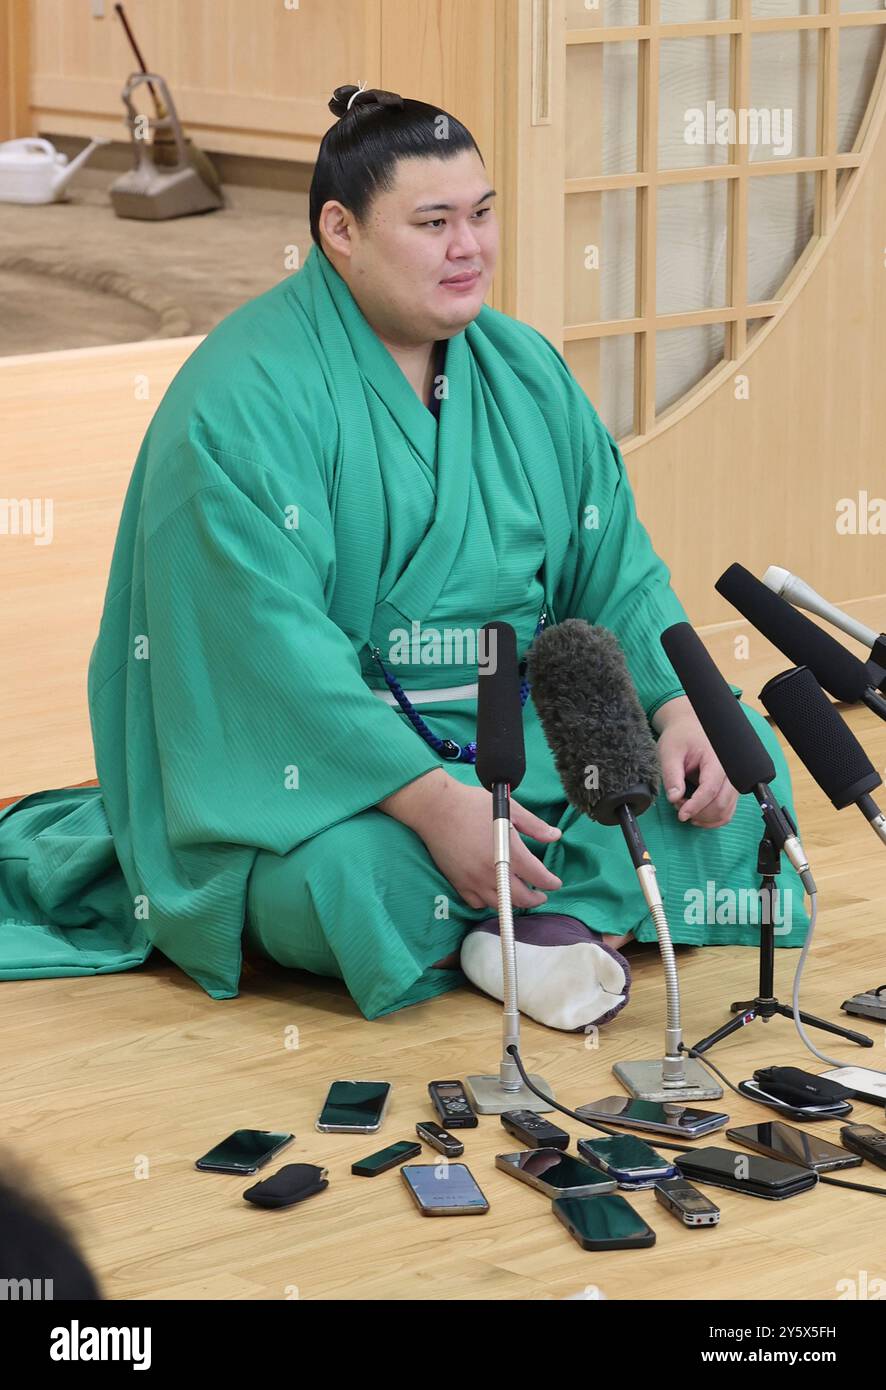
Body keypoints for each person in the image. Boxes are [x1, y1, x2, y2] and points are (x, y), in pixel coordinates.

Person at [0, 85, 808, 1031]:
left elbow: (616, 567)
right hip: (338, 775)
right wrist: (430, 804)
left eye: (481, 214)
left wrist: (677, 706)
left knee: (748, 788)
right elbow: (261, 653)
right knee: (356, 880)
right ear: (339, 229)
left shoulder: (525, 371)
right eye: (432, 222)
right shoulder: (241, 398)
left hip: (516, 740)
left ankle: (502, 926)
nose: (468, 247)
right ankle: (553, 915)